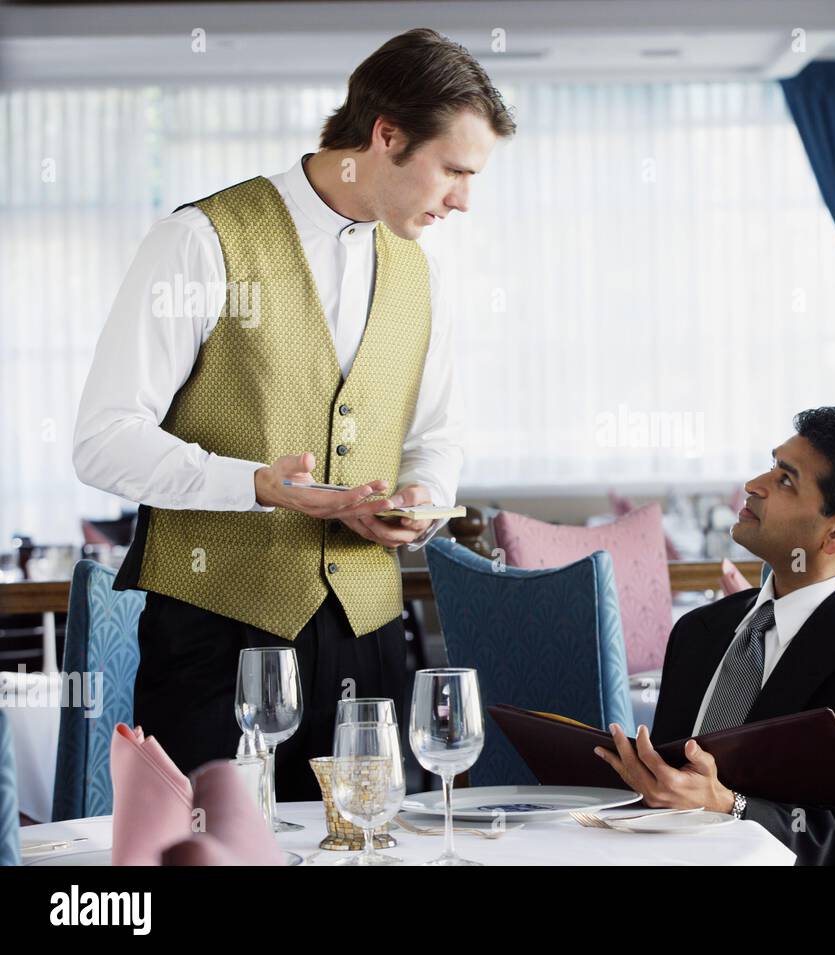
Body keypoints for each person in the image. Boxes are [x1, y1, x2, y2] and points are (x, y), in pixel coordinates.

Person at [72, 29, 515, 799]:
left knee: (368, 849)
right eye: (453, 170)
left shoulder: (420, 271)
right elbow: (102, 442)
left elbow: (437, 434)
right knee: (211, 854)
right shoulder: (201, 240)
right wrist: (258, 484)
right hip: (217, 632)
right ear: (387, 135)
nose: (463, 198)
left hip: (368, 631)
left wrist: (419, 496)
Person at [596, 406, 835, 864]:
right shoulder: (698, 632)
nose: (754, 485)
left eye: (786, 480)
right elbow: (668, 794)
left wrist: (730, 807)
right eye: (772, 465)